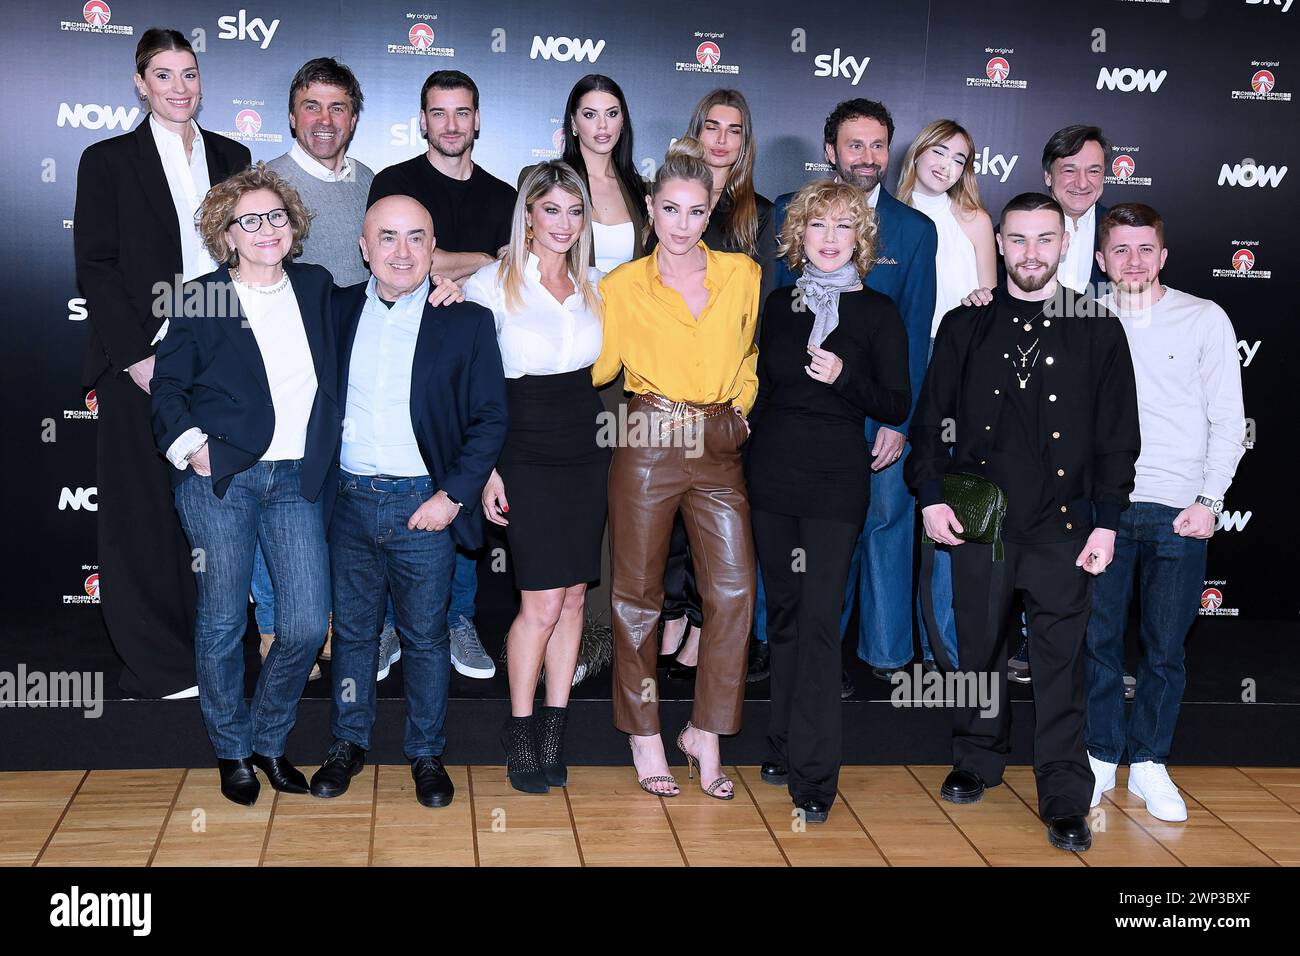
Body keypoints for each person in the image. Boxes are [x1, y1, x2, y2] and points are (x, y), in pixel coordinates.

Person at [906, 192, 1140, 852]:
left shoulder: (1096, 327)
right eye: (1019, 239)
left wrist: (1107, 522)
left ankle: (1065, 793)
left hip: (1065, 528)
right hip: (984, 525)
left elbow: (1119, 434)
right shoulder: (965, 324)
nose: (1032, 252)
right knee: (979, 651)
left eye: (1045, 239)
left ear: (1065, 244)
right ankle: (978, 760)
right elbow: (931, 419)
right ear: (1000, 244)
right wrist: (929, 495)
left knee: (1060, 667)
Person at [309, 195, 507, 809]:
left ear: (433, 248)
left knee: (425, 637)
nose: (401, 251)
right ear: (363, 247)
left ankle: (426, 753)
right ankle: (347, 742)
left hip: (425, 506)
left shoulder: (467, 320)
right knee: (355, 638)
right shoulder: (334, 310)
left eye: (416, 238)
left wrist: (453, 496)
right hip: (347, 502)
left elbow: (490, 418)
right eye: (387, 238)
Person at [151, 164, 338, 806]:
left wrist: (450, 290)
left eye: (276, 217)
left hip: (295, 479)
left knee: (308, 622)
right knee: (224, 621)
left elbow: (388, 302)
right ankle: (232, 750)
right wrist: (193, 448)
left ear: (293, 225)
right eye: (249, 221)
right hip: (222, 478)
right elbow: (167, 388)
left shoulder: (316, 287)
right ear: (226, 234)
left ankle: (268, 737)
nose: (265, 230)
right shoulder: (200, 296)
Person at [73, 28, 250, 699]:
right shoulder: (108, 160)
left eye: (190, 73)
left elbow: (248, 255)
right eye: (164, 75)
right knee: (141, 513)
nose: (179, 87)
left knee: (212, 512)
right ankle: (159, 662)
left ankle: (216, 652)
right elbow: (96, 266)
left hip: (216, 356)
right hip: (137, 363)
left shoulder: (233, 156)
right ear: (141, 83)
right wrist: (137, 357)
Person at [595, 138, 760, 800]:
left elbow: (751, 355)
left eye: (696, 211)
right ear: (651, 210)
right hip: (650, 434)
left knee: (734, 591)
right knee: (637, 596)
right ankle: (645, 735)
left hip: (719, 438)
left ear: (711, 208)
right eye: (670, 209)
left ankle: (706, 732)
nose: (683, 224)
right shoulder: (620, 285)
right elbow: (602, 368)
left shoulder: (743, 273)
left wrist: (742, 411)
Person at [747, 180, 910, 822]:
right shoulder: (777, 305)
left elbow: (896, 402)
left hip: (836, 481)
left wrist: (846, 378)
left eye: (845, 227)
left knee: (818, 621)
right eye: (819, 227)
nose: (831, 239)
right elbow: (758, 390)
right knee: (783, 616)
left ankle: (815, 777)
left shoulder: (878, 313)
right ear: (799, 236)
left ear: (861, 239)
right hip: (773, 476)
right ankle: (784, 744)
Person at [1085, 203, 1246, 822]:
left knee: (1165, 648)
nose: (1133, 261)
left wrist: (1210, 501)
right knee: (1096, 641)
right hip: (1105, 508)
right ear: (1102, 260)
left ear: (1164, 254)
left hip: (1179, 510)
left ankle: (1150, 762)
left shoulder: (1204, 317)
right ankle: (1100, 756)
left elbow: (1229, 420)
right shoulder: (1084, 316)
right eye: (1120, 250)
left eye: (1144, 249)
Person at [773, 99, 938, 690]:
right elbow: (772, 321)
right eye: (854, 144)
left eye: (877, 145)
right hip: (805, 420)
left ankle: (888, 656)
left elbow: (917, 327)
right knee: (812, 541)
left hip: (881, 410)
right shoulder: (788, 214)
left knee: (886, 526)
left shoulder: (915, 229)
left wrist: (902, 422)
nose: (867, 157)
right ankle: (809, 656)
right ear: (830, 151)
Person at [369, 70, 517, 679]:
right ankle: (385, 626)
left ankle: (457, 621)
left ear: (477, 120)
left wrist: (462, 266)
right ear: (422, 119)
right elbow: (398, 260)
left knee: (454, 481)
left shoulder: (502, 196)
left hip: (466, 355)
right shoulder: (395, 181)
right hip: (395, 346)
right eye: (439, 113)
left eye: (462, 113)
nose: (451, 124)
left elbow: (516, 266)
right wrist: (480, 258)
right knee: (383, 487)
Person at [466, 162, 608, 793]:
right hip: (520, 444)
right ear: (528, 213)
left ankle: (555, 724)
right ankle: (519, 727)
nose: (564, 224)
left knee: (575, 595)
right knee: (540, 600)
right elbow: (471, 386)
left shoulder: (597, 285)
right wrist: (488, 469)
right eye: (551, 210)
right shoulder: (489, 284)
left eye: (575, 212)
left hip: (586, 442)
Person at [254, 57, 375, 682]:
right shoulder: (267, 182)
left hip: (355, 365)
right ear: (293, 115)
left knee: (330, 501)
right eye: (311, 106)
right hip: (287, 368)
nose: (324, 120)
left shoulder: (370, 181)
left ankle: (326, 626)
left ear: (353, 116)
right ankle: (279, 632)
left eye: (337, 108)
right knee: (280, 491)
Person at [659, 88, 777, 682]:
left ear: (745, 141)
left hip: (730, 394)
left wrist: (747, 402)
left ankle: (707, 625)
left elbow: (765, 318)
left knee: (719, 518)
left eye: (735, 129)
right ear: (696, 131)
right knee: (672, 519)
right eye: (712, 127)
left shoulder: (761, 213)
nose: (722, 140)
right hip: (668, 390)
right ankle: (675, 613)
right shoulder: (667, 198)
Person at [896, 119, 998, 674]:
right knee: (895, 512)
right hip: (900, 365)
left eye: (961, 159)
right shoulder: (887, 212)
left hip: (958, 369)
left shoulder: (977, 221)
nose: (947, 165)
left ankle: (946, 652)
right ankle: (899, 643)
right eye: (940, 151)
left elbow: (988, 300)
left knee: (947, 504)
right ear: (919, 151)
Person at [520, 74, 648, 271]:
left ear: (623, 121)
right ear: (573, 123)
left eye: (611, 114)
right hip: (566, 300)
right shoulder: (540, 180)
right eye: (590, 115)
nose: (603, 125)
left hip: (624, 301)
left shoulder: (641, 188)